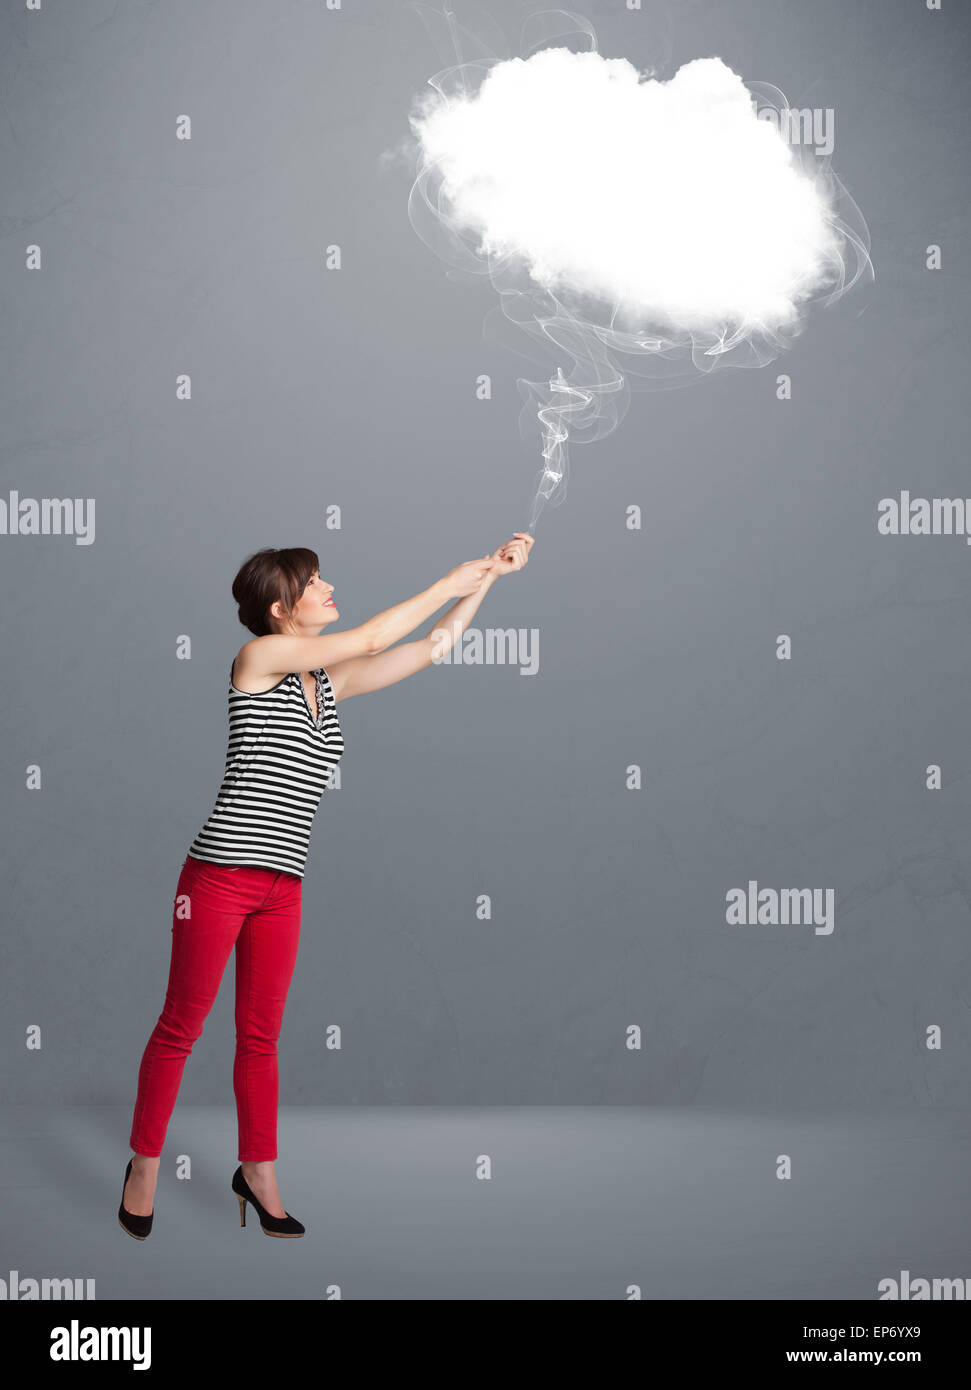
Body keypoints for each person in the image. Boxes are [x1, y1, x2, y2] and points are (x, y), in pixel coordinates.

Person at [118, 531, 535, 1239]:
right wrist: (449, 575)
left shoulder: (326, 684)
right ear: (282, 609)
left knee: (261, 1036)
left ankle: (258, 1172)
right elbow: (373, 635)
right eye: (314, 583)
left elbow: (430, 647)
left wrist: (490, 576)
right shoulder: (258, 658)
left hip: (283, 885)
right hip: (219, 875)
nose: (328, 587)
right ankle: (144, 1166)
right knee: (181, 1024)